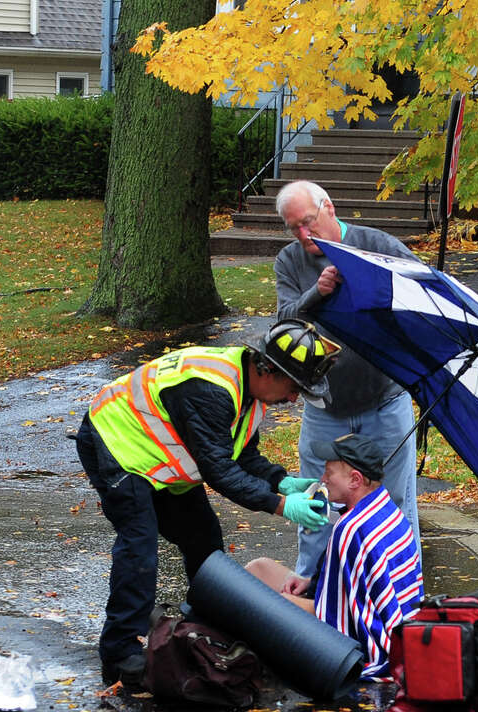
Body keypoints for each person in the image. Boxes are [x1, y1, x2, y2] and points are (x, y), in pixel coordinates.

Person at [76, 319, 341, 686]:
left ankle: (200, 627)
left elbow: (241, 456)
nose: (294, 399)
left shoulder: (248, 393)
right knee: (139, 548)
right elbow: (219, 472)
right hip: (117, 443)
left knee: (204, 540)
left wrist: (283, 480)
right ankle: (120, 653)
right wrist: (281, 505)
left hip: (162, 460)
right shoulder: (210, 389)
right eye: (295, 387)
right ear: (267, 368)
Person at [273, 180, 427, 596]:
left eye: (308, 222)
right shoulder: (289, 261)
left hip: (385, 399)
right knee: (318, 497)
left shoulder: (374, 243)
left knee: (396, 503)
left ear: (329, 208)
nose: (304, 235)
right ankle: (312, 580)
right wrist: (316, 293)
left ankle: (405, 591)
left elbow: (427, 289)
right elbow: (283, 321)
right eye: (294, 229)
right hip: (325, 406)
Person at [245, 433, 423, 680]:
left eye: (329, 472)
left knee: (247, 598)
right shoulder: (386, 507)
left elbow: (332, 621)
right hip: (393, 631)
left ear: (355, 480)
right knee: (258, 569)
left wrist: (276, 601)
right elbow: (355, 585)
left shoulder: (351, 528)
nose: (322, 479)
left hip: (356, 642)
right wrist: (313, 582)